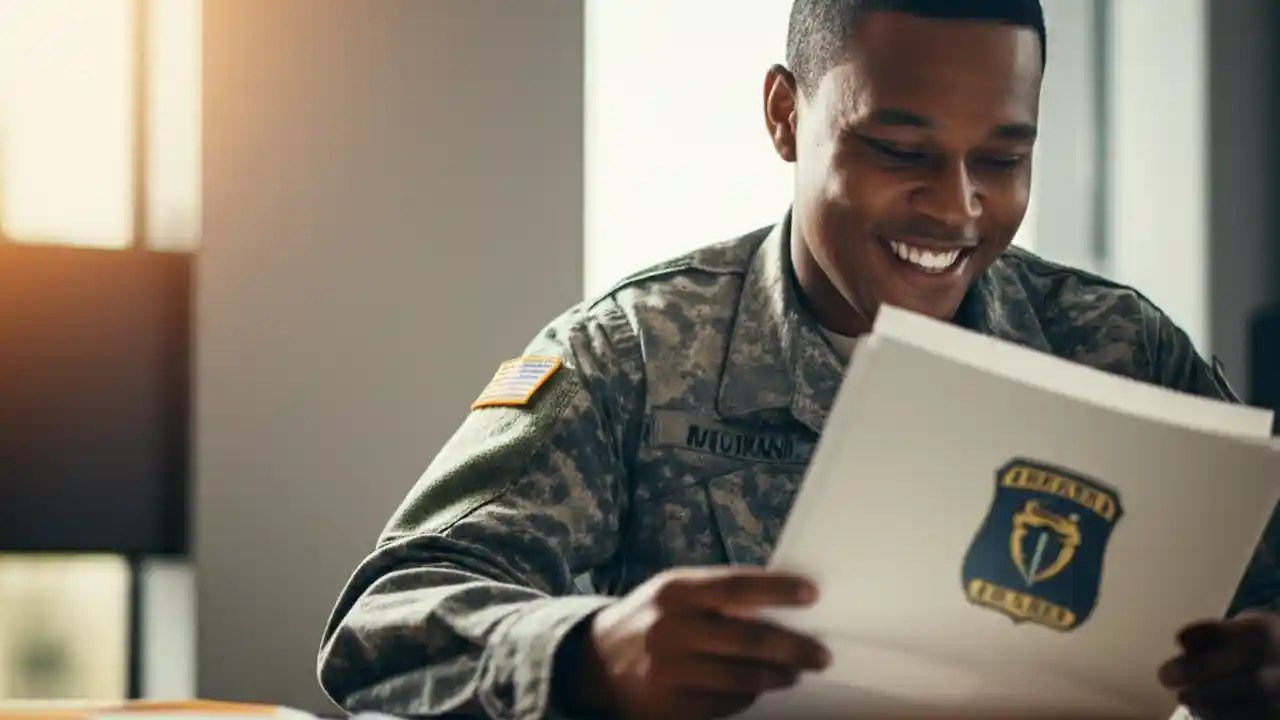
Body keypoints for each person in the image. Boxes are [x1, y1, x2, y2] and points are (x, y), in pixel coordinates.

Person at [317, 1, 1280, 718]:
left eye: (1000, 161)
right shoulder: (634, 357)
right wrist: (586, 656)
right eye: (900, 150)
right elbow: (381, 631)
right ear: (785, 115)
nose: (955, 210)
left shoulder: (1118, 352)